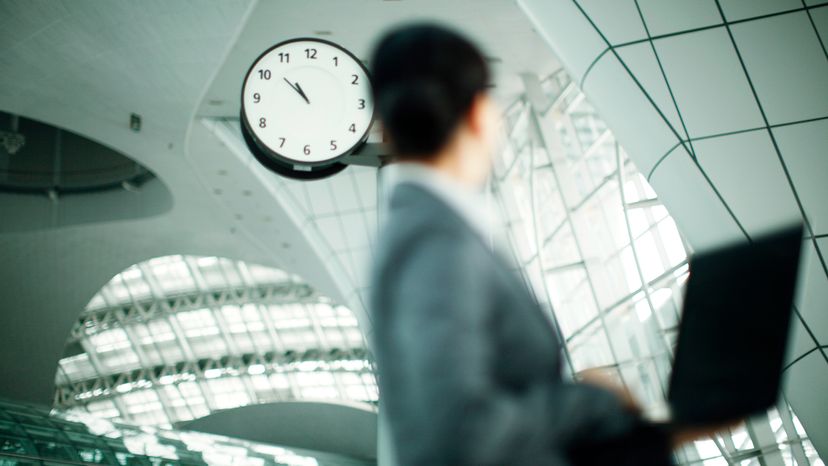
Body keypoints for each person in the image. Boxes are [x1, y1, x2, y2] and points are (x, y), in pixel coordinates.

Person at [368, 24, 722, 466]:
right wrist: (591, 402)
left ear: (383, 126)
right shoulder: (435, 241)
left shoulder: (424, 230)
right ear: (480, 114)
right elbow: (463, 436)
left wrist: (652, 432)